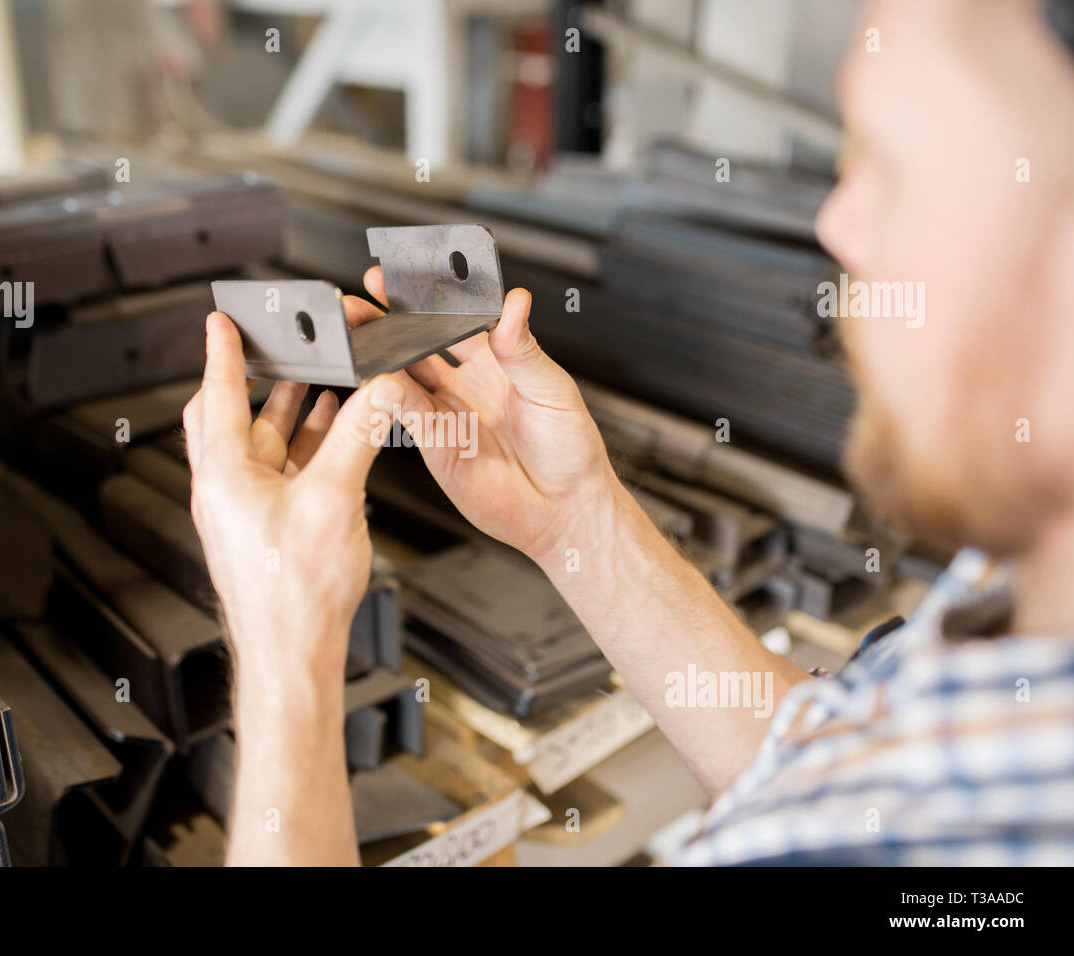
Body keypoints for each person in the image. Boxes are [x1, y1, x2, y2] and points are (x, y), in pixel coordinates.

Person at [181, 0, 1074, 866]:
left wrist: (285, 641)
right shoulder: (1016, 596)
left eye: (896, 159)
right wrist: (577, 521)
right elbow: (823, 756)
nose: (835, 223)